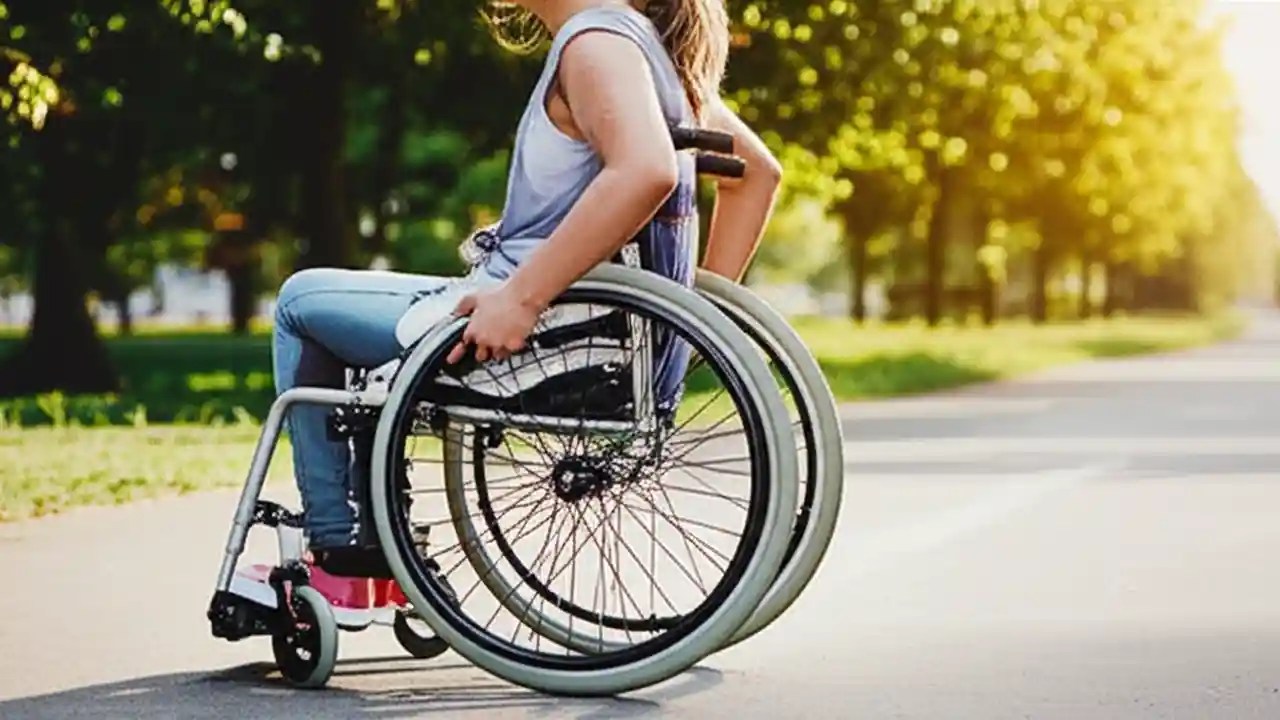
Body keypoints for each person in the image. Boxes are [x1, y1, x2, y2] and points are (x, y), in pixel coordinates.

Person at [272, 0, 783, 577]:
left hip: (540, 333)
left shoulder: (595, 47)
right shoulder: (653, 57)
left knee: (300, 302)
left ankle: (341, 543)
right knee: (341, 305)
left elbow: (647, 170)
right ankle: (371, 526)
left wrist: (521, 299)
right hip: (583, 331)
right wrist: (685, 330)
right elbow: (757, 175)